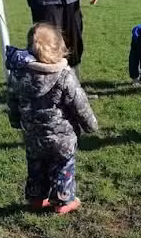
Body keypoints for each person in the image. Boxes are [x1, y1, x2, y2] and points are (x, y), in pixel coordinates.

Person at [6, 23, 98, 215]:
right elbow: (80, 104)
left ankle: (37, 198)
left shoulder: (18, 74)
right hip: (62, 139)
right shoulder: (64, 76)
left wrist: (15, 120)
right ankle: (63, 202)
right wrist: (91, 125)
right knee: (63, 167)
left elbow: (12, 101)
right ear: (59, 48)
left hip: (32, 137)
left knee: (36, 166)